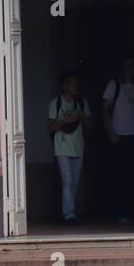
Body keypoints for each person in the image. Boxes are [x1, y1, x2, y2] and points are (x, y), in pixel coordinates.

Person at [102, 55, 134, 224]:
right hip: (120, 136)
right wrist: (110, 132)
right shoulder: (114, 84)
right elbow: (104, 109)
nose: (128, 68)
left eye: (131, 64)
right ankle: (122, 212)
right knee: (121, 176)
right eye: (125, 64)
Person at [47, 71, 91, 225]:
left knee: (75, 181)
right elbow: (51, 127)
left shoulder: (81, 102)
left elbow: (90, 125)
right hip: (62, 146)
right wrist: (66, 120)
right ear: (64, 86)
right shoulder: (56, 103)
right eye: (71, 83)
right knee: (67, 180)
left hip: (78, 146)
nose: (75, 86)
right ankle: (69, 214)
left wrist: (81, 115)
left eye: (76, 83)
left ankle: (67, 211)